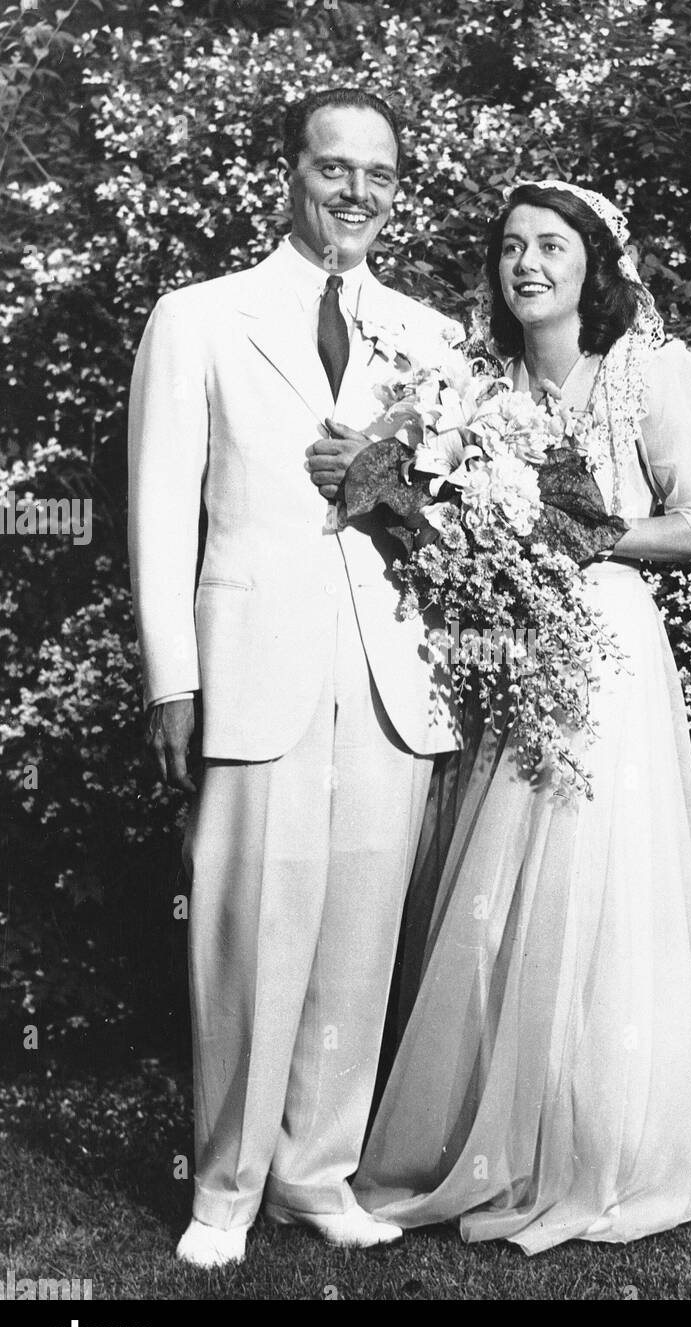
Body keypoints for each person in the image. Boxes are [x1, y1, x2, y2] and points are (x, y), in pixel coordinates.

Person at [354, 181, 691, 1254]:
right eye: (510, 247)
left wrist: (584, 537)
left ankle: (604, 1140)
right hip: (505, 646)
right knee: (493, 887)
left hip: (604, 643)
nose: (528, 265)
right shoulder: (473, 380)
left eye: (552, 246)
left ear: (596, 265)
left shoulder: (652, 372)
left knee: (594, 879)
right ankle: (489, 1133)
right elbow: (422, 498)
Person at [128, 87, 459, 1267]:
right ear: (292, 173)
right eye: (334, 169)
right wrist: (175, 679)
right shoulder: (201, 317)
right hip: (252, 668)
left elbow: (459, 522)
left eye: (378, 173)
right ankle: (223, 1189)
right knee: (243, 927)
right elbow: (163, 511)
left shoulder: (430, 337)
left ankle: (317, 1174)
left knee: (359, 931)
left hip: (388, 670)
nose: (356, 193)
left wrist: (388, 482)